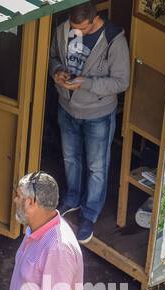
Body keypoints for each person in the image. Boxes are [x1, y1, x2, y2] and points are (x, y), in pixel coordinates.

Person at [50, 0, 130, 244]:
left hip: (98, 113)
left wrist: (86, 83)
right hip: (67, 106)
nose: (78, 33)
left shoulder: (114, 40)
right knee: (70, 158)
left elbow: (121, 82)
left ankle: (90, 214)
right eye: (75, 28)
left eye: (83, 29)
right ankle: (72, 199)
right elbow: (53, 57)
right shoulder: (65, 28)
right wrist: (57, 71)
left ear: (95, 19)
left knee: (97, 167)